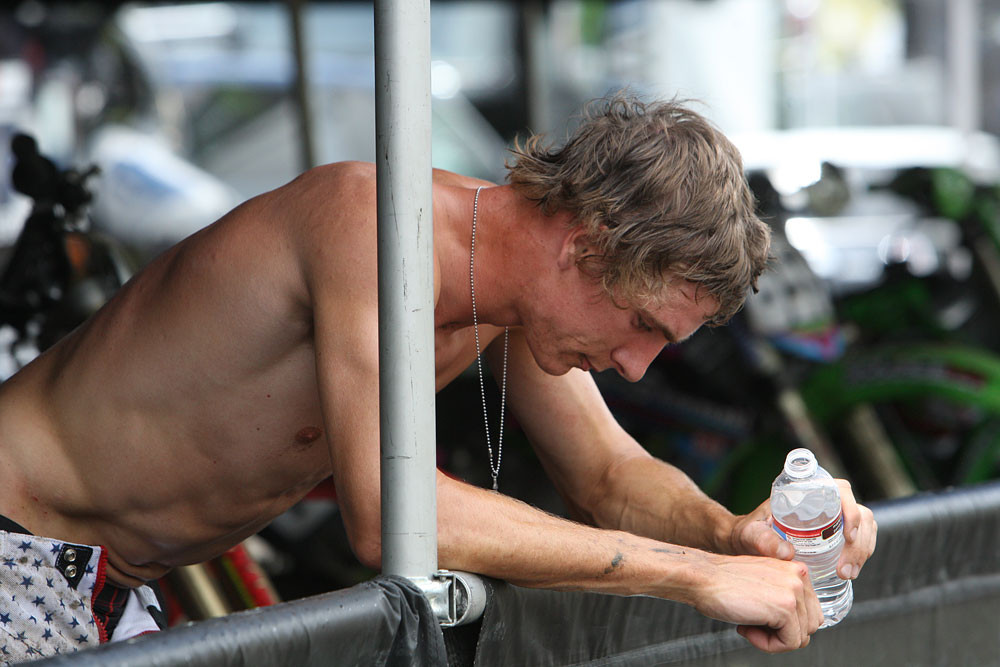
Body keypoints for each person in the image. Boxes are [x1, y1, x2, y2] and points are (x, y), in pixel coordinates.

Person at [0, 93, 876, 661]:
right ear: (583, 246)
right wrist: (688, 574)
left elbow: (612, 474)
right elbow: (393, 513)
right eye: (643, 325)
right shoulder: (374, 225)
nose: (635, 364)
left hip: (105, 584)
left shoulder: (511, 298)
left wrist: (736, 538)